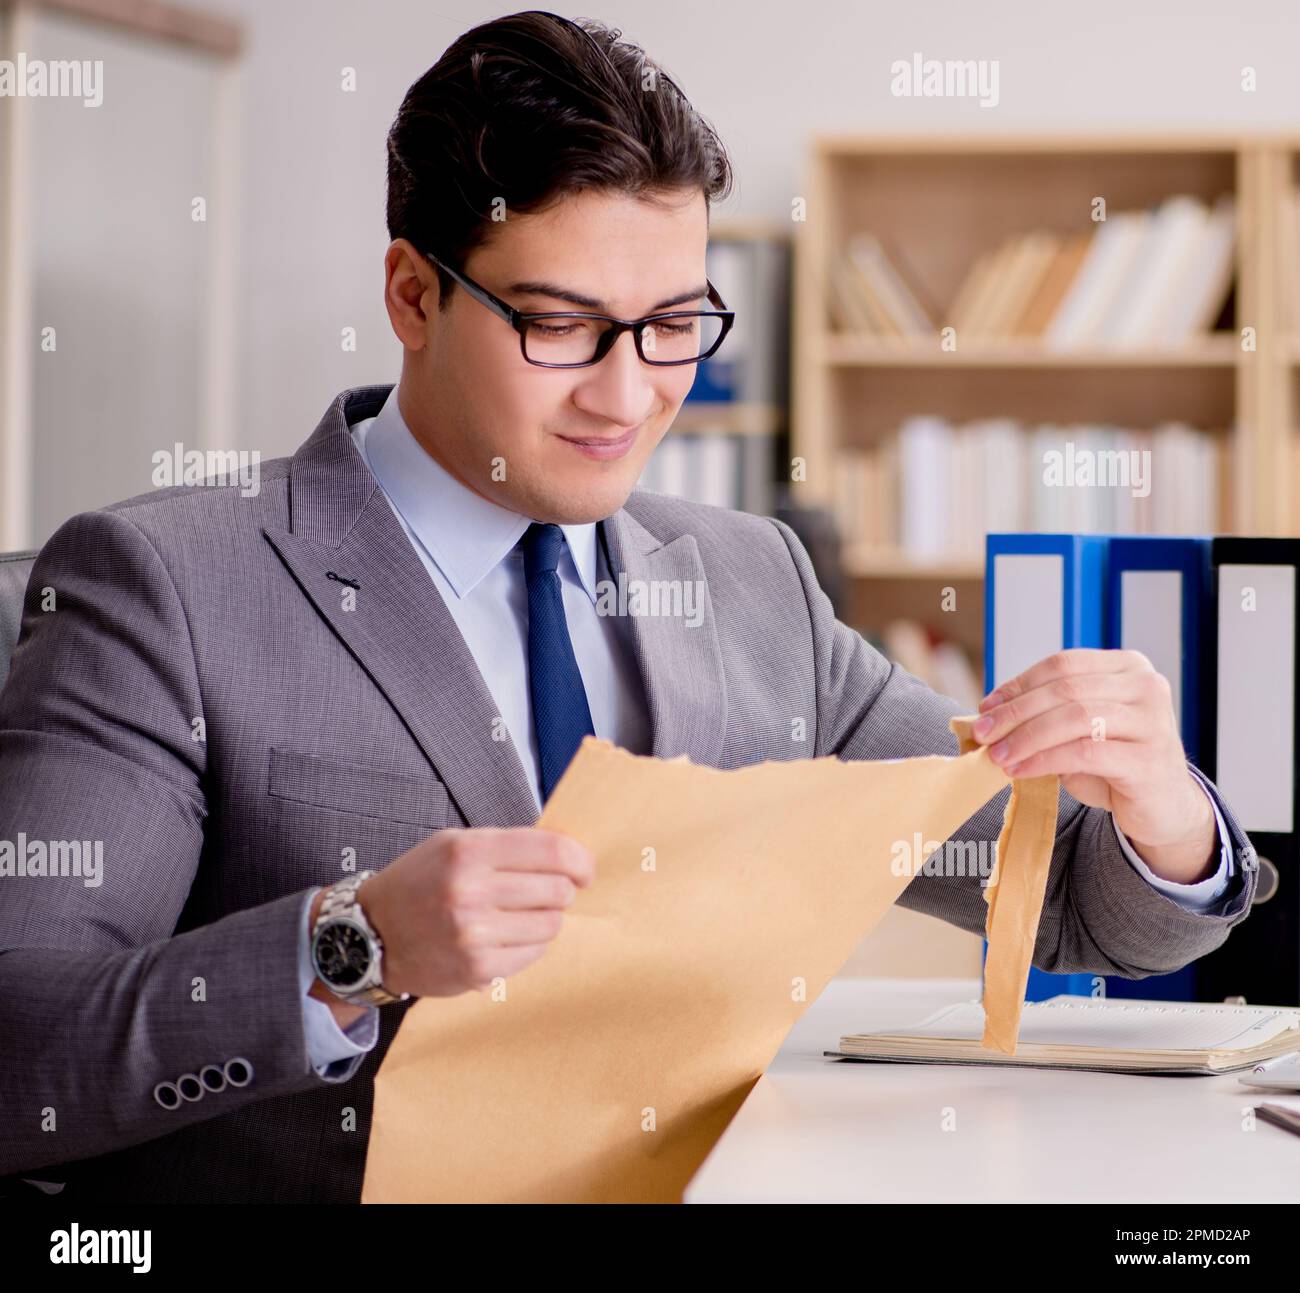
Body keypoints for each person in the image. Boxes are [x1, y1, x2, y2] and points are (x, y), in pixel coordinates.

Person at [0, 10, 1256, 1204]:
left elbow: (1076, 906)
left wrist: (1153, 799)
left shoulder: (748, 582)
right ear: (412, 296)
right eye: (561, 327)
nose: (629, 394)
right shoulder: (165, 582)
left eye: (672, 326)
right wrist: (352, 943)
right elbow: (22, 1048)